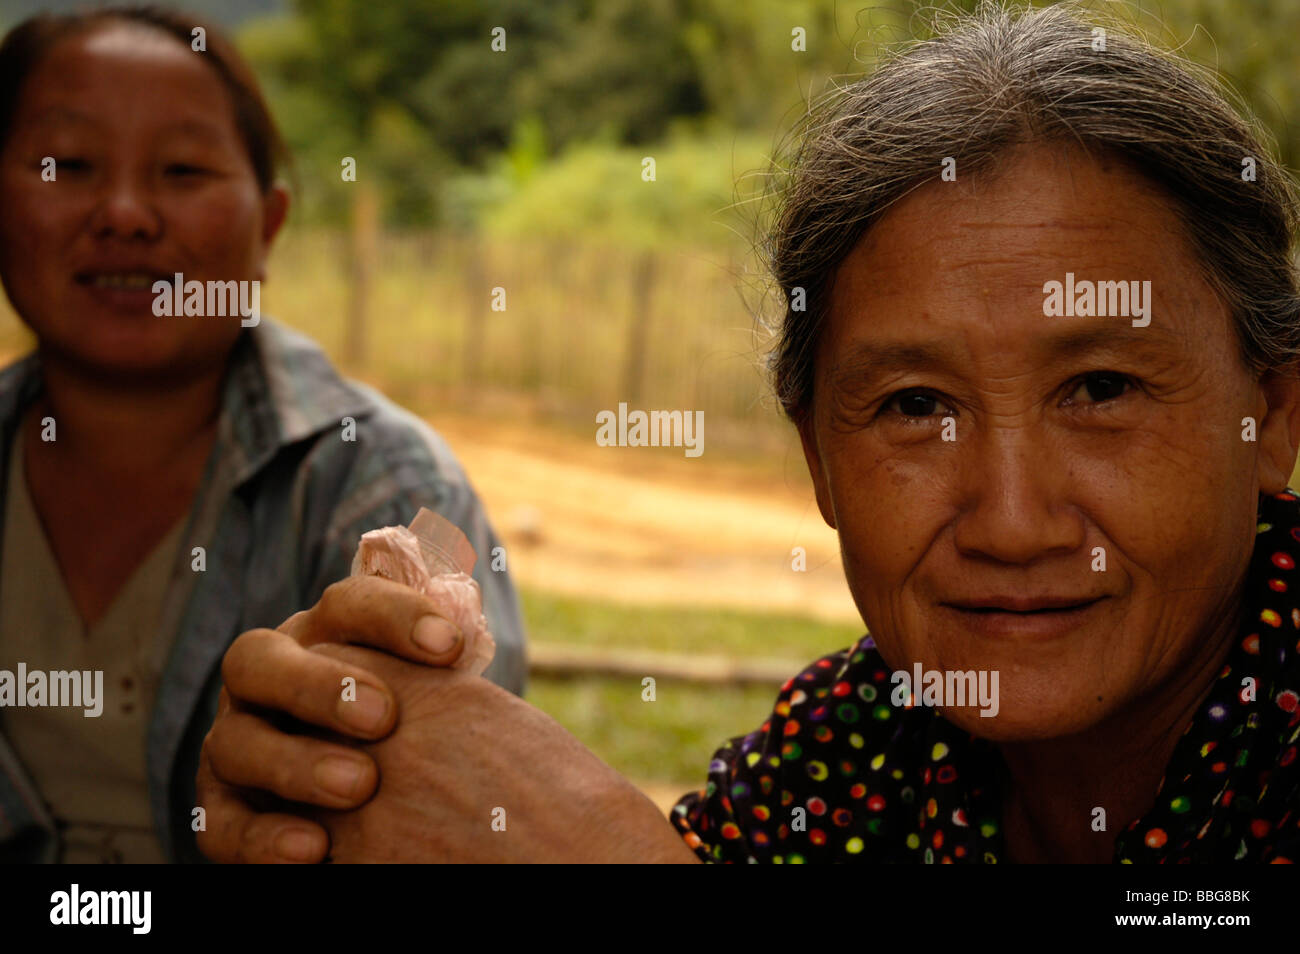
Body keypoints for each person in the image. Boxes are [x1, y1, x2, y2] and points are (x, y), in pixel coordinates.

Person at [197, 2, 1300, 863]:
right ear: (818, 457)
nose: (1011, 522)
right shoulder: (852, 745)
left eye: (1100, 389)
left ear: (1274, 415)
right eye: (915, 406)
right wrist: (341, 779)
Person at [0, 7, 525, 864]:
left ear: (269, 225)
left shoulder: (383, 489)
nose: (126, 212)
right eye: (70, 163)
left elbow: (465, 809)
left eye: (181, 169)